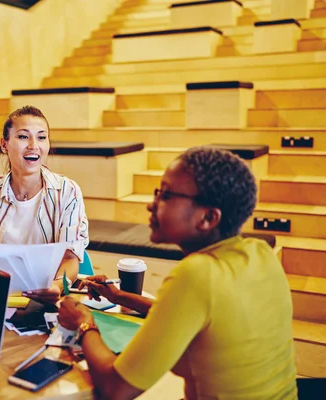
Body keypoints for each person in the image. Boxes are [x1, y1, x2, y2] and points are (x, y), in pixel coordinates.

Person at [58, 146, 297, 400]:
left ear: (207, 217)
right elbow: (193, 315)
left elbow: (116, 389)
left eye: (166, 195)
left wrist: (84, 323)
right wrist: (118, 297)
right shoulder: (260, 252)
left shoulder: (196, 274)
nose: (152, 205)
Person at [0, 105, 89, 303]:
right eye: (23, 137)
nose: (34, 145)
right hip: (1, 296)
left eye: (41, 137)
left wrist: (56, 286)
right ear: (4, 145)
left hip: (50, 299)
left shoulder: (68, 191)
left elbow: (70, 258)